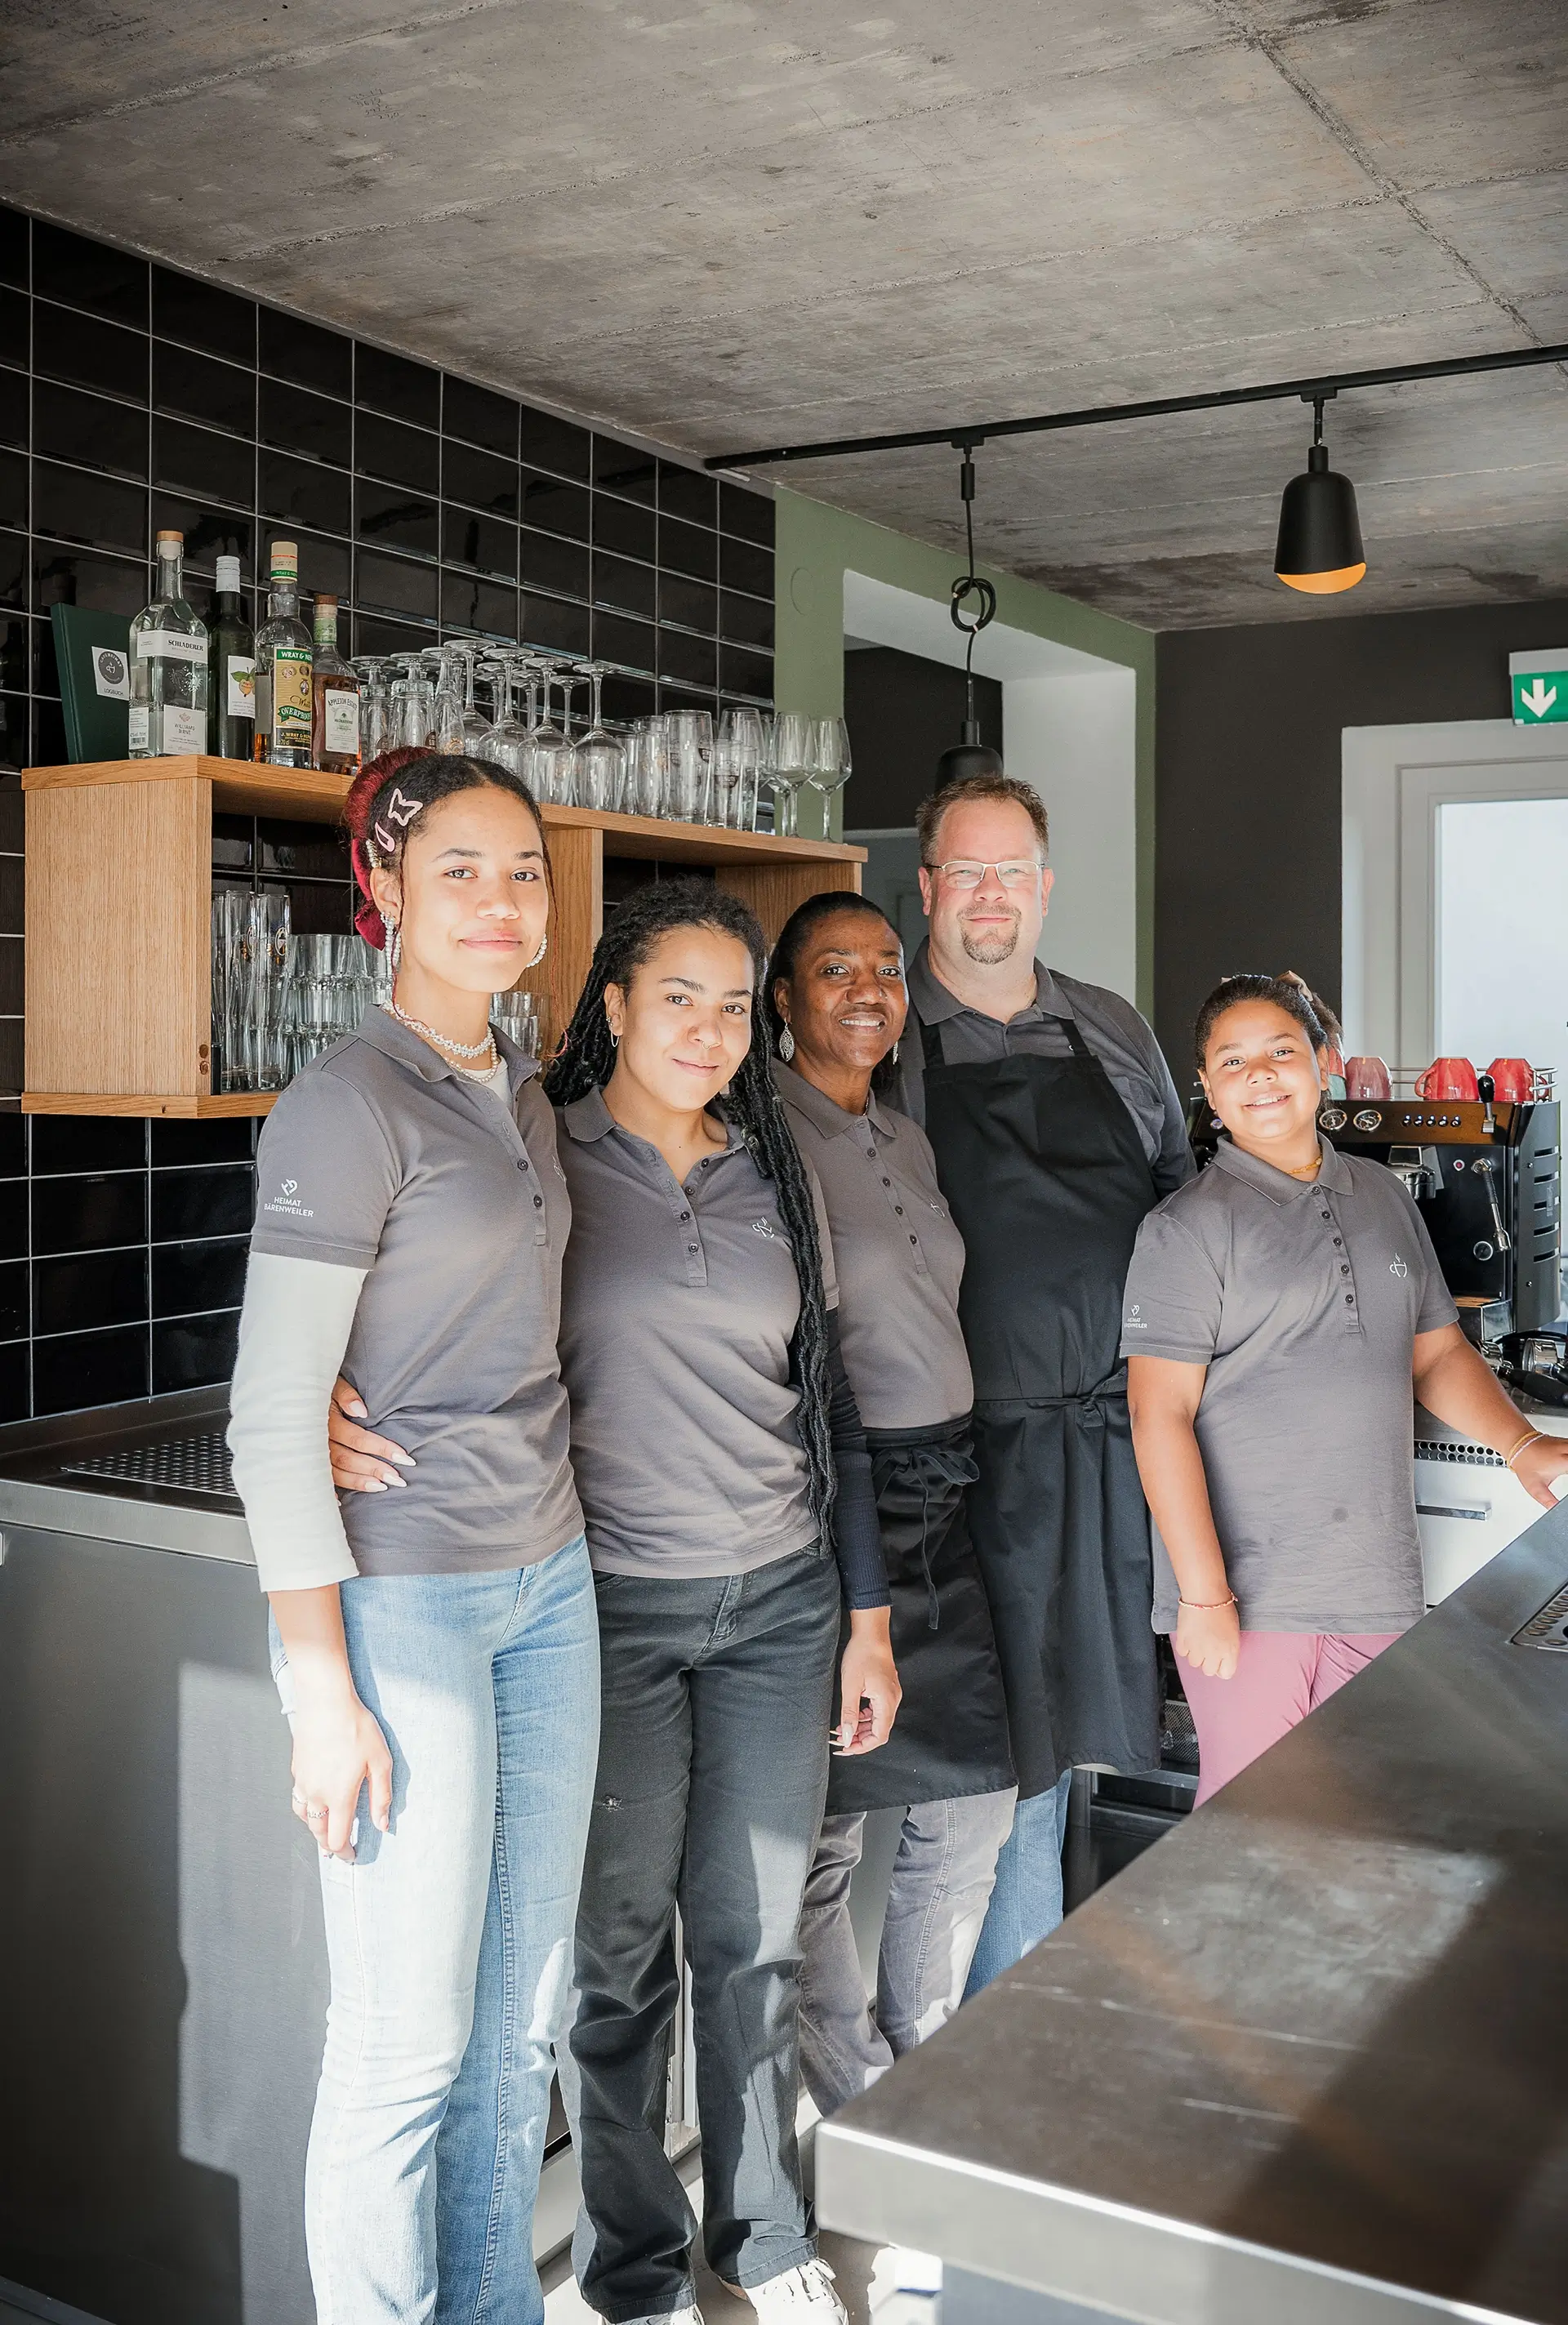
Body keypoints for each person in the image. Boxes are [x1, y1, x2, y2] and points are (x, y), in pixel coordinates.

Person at [329, 875, 898, 2325]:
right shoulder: (543, 1150)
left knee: (753, 1941)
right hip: (608, 1611)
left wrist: (865, 1615)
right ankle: (635, 2269)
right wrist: (314, 1388)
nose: (707, 1030)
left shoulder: (777, 1169)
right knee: (620, 1958)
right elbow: (392, 1263)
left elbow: (827, 1405)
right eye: (677, 998)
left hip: (780, 1605)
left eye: (729, 1003)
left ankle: (764, 2242)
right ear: (618, 1006)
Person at [227, 750, 599, 2325]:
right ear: (384, 891)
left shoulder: (515, 1088)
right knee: (403, 2049)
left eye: (524, 869)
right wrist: (322, 1691)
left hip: (552, 1580)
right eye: (462, 868)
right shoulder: (347, 1097)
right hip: (411, 1611)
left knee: (518, 2032)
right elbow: (268, 1414)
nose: (503, 900)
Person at [889, 769, 1193, 1993]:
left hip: (1111, 1448)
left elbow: (1183, 1204)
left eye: (1012, 870)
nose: (991, 896)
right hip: (964, 1460)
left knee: (1068, 1754)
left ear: (1046, 886)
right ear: (926, 887)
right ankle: (950, 2055)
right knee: (984, 1765)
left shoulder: (1111, 1029)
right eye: (967, 871)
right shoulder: (889, 1038)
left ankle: (1019, 2015)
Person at [1123, 971, 1568, 1802]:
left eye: (1281, 1051)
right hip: (1252, 1604)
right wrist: (1204, 1594)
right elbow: (1159, 1416)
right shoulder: (1186, 1228)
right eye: (1234, 1061)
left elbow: (1434, 1354)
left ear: (1322, 1064)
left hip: (1377, 1586)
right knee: (1251, 1841)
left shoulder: (1381, 1197)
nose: (1261, 1075)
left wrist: (1523, 1444)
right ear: (1209, 1089)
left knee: (1362, 1836)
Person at [766, 891, 1014, 2116]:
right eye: (833, 970)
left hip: (945, 1488)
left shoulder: (903, 1135)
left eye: (883, 967)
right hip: (837, 1503)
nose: (868, 989)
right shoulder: (761, 1133)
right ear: (785, 998)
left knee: (972, 1797)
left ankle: (921, 2074)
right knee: (824, 1834)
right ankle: (863, 2098)